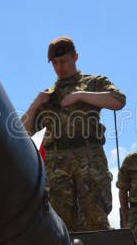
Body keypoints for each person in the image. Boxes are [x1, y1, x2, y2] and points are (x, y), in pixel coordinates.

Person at [21, 36, 125, 232]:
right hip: (57, 167)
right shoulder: (49, 96)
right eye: (55, 63)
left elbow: (118, 100)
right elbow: (22, 132)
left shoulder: (93, 83)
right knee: (61, 228)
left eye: (64, 61)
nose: (59, 67)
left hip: (89, 159)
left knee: (97, 222)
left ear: (75, 57)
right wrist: (35, 105)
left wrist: (80, 95)